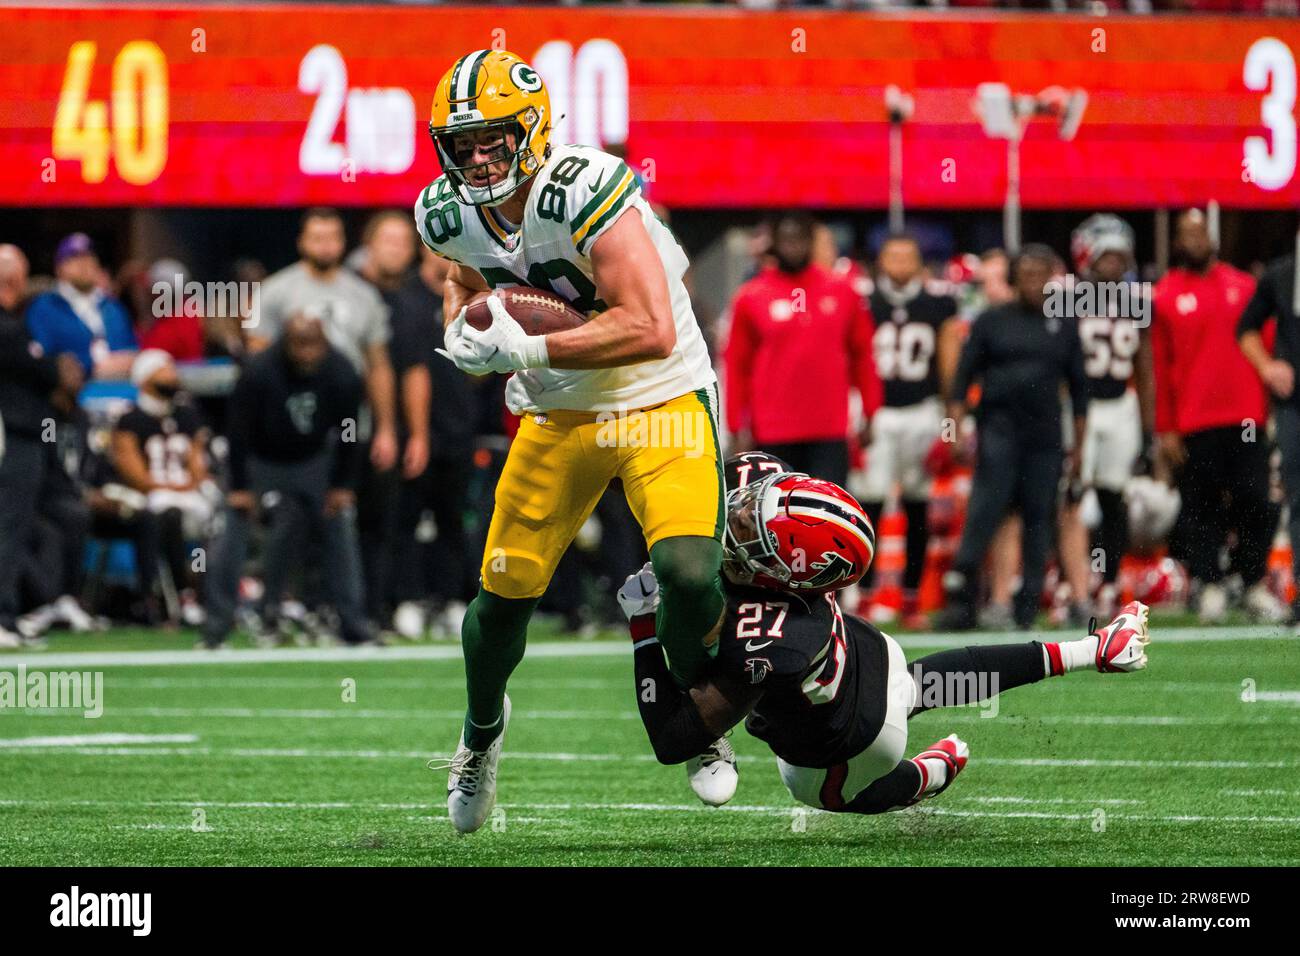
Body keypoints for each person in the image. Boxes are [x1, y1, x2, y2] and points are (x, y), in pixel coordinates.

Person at [419, 49, 723, 834]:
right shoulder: (445, 212)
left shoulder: (584, 188)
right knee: (501, 603)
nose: (479, 158)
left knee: (688, 571)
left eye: (495, 139)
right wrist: (461, 328)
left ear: (535, 129)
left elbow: (651, 327)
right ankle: (481, 736)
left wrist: (524, 348)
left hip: (657, 394)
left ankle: (698, 711)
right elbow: (464, 278)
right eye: (464, 144)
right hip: (558, 412)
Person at [616, 455, 1151, 813]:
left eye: (750, 535)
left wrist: (643, 628)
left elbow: (670, 739)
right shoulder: (767, 498)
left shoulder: (772, 640)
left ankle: (923, 778)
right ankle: (1094, 649)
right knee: (923, 684)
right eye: (747, 509)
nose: (733, 521)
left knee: (831, 794)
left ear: (786, 575)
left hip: (848, 743)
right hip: (870, 655)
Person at [937, 244, 1089, 630]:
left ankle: (1028, 605)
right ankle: (962, 597)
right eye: (1027, 273)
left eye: (1042, 273)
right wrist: (953, 433)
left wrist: (1080, 450)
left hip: (1045, 436)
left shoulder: (1064, 324)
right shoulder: (991, 321)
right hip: (999, 431)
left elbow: (1080, 393)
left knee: (1040, 516)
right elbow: (960, 383)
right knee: (986, 511)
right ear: (1013, 279)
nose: (1035, 281)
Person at [200, 313, 369, 649]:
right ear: (285, 343)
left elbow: (350, 432)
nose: (306, 354)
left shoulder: (343, 372)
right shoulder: (259, 371)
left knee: (341, 525)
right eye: (299, 345)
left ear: (324, 343)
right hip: (261, 459)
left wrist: (341, 485)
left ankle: (355, 626)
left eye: (313, 346)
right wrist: (238, 486)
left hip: (313, 460)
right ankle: (215, 630)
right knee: (232, 529)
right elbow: (238, 430)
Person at [1152, 209, 1283, 623]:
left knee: (1257, 501)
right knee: (1200, 507)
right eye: (1185, 234)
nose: (1194, 241)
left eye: (1199, 233)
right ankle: (1209, 583)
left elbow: (1268, 347)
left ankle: (1252, 582)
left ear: (1212, 238)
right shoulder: (1165, 294)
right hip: (1195, 419)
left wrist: (1271, 407)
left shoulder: (1245, 287)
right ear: (1176, 243)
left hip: (1247, 414)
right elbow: (1159, 366)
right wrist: (1166, 428)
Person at [723, 211, 881, 487]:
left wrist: (870, 411)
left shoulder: (843, 291)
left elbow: (864, 356)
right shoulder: (751, 296)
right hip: (772, 431)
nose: (793, 247)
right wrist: (736, 425)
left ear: (811, 242)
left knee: (828, 514)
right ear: (774, 243)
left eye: (799, 240)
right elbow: (736, 364)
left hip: (829, 429)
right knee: (773, 517)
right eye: (786, 240)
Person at [860, 233, 961, 626]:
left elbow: (951, 370)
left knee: (918, 504)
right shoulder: (864, 301)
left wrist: (950, 429)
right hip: (878, 413)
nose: (899, 264)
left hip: (923, 409)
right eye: (892, 256)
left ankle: (912, 597)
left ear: (920, 263)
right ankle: (865, 595)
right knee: (868, 502)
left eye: (907, 256)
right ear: (879, 261)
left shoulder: (938, 304)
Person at [1058, 214, 1155, 622]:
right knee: (1072, 494)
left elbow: (1145, 367)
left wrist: (1150, 428)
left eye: (1120, 257)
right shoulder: (1066, 297)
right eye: (1106, 257)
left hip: (1119, 405)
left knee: (1114, 496)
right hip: (1080, 407)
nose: (1114, 265)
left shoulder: (1137, 301)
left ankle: (1110, 580)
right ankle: (1071, 581)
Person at [256, 207, 399, 477]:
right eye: (317, 238)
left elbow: (378, 366)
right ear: (302, 241)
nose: (325, 246)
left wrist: (386, 430)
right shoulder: (275, 291)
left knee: (347, 499)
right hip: (293, 417)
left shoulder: (364, 295)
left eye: (332, 238)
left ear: (343, 242)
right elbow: (258, 362)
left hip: (350, 417)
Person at [0, 244, 85, 646]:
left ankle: (12, 613)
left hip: (18, 436)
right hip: (11, 438)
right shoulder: (8, 328)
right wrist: (53, 367)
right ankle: (2, 616)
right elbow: (40, 368)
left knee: (23, 528)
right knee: (9, 526)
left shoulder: (15, 324)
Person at [355, 211, 430, 629]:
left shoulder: (411, 303)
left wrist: (416, 434)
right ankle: (324, 605)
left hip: (387, 431)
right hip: (342, 427)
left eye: (404, 242)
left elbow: (415, 370)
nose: (395, 250)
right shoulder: (348, 294)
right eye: (388, 240)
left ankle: (376, 608)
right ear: (368, 243)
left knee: (387, 521)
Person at [111, 350, 216, 625]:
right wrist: (168, 486)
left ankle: (202, 590)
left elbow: (197, 463)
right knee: (169, 516)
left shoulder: (188, 414)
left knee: (212, 525)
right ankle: (176, 593)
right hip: (153, 494)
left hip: (187, 492)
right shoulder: (130, 419)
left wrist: (191, 484)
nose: (173, 375)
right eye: (165, 370)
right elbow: (133, 472)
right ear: (146, 377)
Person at [1237, 244, 1300, 630]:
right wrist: (1266, 365)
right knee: (1299, 497)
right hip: (1295, 403)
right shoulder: (1282, 271)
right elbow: (1245, 327)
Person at [26, 233, 136, 380]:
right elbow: (40, 357)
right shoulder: (44, 307)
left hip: (121, 389)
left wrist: (130, 360)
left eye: (89, 257)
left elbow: (132, 348)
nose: (85, 263)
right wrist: (92, 365)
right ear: (59, 268)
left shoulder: (113, 307)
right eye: (74, 258)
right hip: (75, 394)